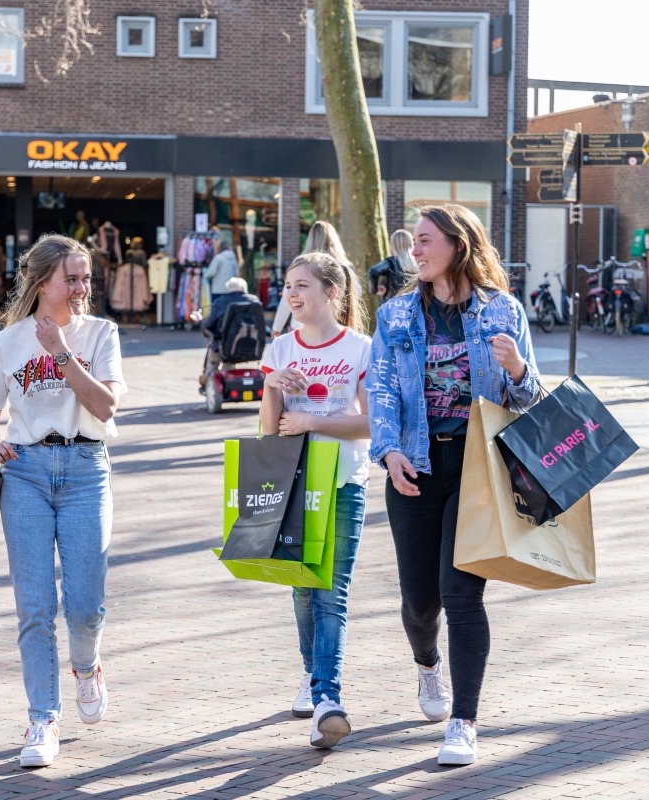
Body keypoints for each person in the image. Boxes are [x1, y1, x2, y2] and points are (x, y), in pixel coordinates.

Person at [365, 204, 541, 767]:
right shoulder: (394, 316)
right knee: (420, 603)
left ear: (457, 244)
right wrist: (388, 452)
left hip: (477, 471)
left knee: (461, 595)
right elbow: (384, 393)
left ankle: (464, 721)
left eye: (423, 240)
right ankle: (426, 664)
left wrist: (516, 369)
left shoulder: (503, 311)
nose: (413, 251)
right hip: (414, 469)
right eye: (413, 242)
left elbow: (531, 399)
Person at [0, 233, 126, 769]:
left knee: (84, 605)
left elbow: (105, 407)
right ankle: (43, 717)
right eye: (73, 278)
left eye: (86, 278)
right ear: (42, 283)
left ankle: (87, 665)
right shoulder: (4, 344)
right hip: (26, 474)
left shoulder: (101, 333)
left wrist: (61, 352)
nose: (83, 288)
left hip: (86, 470)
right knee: (35, 607)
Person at [260, 250, 371, 750]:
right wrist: (271, 388)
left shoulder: (361, 349)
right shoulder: (281, 349)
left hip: (344, 480)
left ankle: (328, 697)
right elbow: (268, 433)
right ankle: (312, 675)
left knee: (332, 591)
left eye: (303, 285)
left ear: (332, 292)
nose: (292, 293)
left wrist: (314, 421)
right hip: (292, 481)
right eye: (288, 284)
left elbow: (372, 423)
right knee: (302, 588)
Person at [271, 220, 350, 338]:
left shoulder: (299, 265)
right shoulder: (344, 267)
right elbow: (355, 294)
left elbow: (287, 298)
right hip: (336, 326)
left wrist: (276, 327)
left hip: (300, 326)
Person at [194, 276, 262, 388]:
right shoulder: (255, 301)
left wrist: (203, 320)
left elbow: (208, 324)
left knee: (214, 354)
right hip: (251, 346)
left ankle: (208, 379)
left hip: (224, 346)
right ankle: (229, 379)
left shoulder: (220, 302)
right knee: (229, 358)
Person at [367, 229, 417, 302]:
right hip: (413, 305)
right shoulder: (418, 264)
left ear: (393, 245)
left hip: (393, 306)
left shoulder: (390, 262)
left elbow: (373, 271)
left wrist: (375, 290)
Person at [203, 239, 239, 304]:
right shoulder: (233, 258)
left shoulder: (218, 258)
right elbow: (236, 274)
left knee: (217, 311)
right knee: (228, 311)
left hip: (217, 290)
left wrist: (204, 275)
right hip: (230, 290)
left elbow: (210, 273)